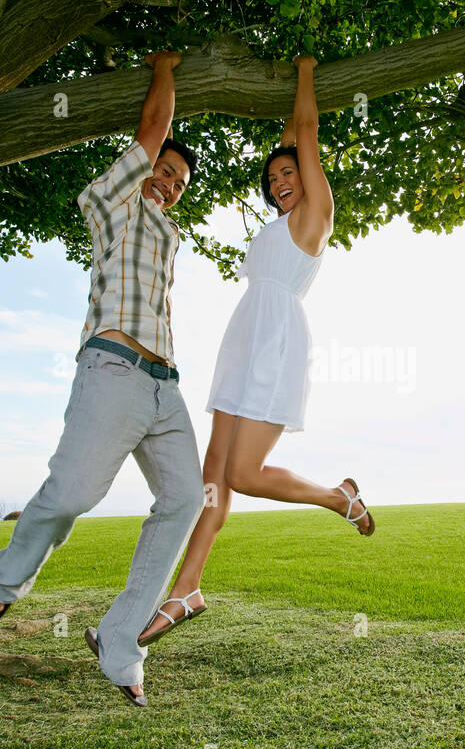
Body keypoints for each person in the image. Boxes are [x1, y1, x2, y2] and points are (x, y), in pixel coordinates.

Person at [0, 51, 205, 708]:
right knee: (74, 492)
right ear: (139, 167)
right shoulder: (111, 205)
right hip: (111, 370)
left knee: (187, 498)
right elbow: (154, 124)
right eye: (164, 169)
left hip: (165, 387)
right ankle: (8, 575)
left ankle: (119, 639)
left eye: (180, 182)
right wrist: (164, 68)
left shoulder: (166, 235)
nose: (169, 182)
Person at [136, 54, 375, 649]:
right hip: (242, 342)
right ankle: (187, 589)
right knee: (212, 478)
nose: (278, 183)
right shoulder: (278, 223)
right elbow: (291, 140)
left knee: (243, 473)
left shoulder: (316, 217)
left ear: (309, 176)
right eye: (271, 181)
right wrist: (285, 141)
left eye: (287, 174)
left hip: (277, 344)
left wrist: (305, 72)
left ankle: (336, 498)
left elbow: (305, 133)